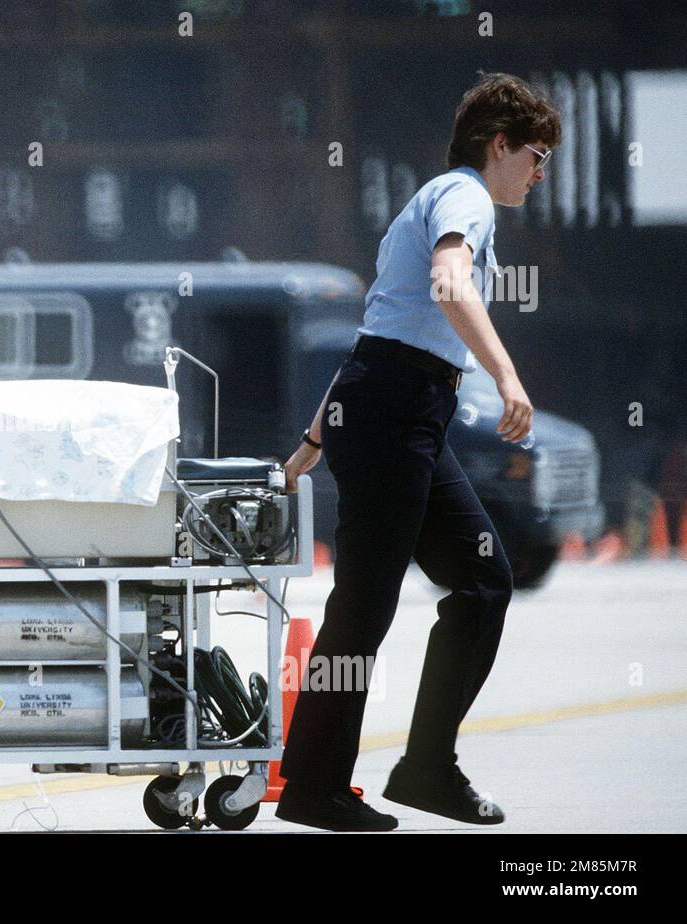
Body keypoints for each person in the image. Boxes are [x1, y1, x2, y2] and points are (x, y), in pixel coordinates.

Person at [276, 73, 561, 831]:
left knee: (482, 580)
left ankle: (427, 767)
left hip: (394, 406)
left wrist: (312, 439)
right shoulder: (465, 196)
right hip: (394, 409)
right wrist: (506, 374)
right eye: (536, 156)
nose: (540, 174)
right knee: (366, 606)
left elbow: (379, 331)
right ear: (498, 145)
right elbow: (444, 283)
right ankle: (312, 785)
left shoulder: (443, 196)